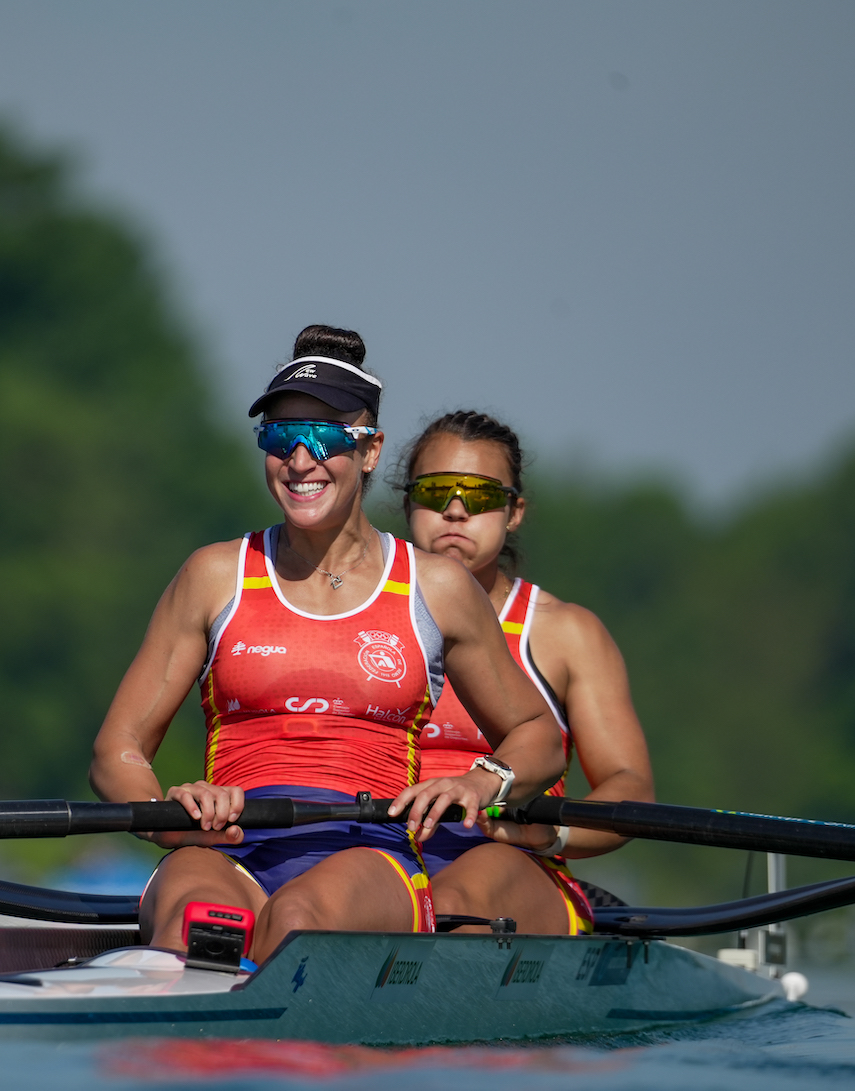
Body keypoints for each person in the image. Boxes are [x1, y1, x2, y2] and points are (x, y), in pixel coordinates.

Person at [88, 327, 567, 963]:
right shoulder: (212, 576)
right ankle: (190, 1035)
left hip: (370, 854)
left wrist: (486, 780)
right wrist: (163, 814)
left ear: (370, 452)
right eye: (282, 436)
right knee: (192, 919)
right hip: (228, 847)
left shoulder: (437, 588)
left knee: (297, 919)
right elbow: (114, 750)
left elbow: (537, 732)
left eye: (326, 436)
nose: (301, 459)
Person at [399, 410, 655, 935]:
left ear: (514, 512)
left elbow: (629, 786)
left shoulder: (565, 634)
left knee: (446, 904)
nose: (454, 511)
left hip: (511, 861)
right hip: (382, 856)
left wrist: (549, 834)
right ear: (408, 503)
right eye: (435, 491)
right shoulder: (354, 613)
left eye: (482, 496)